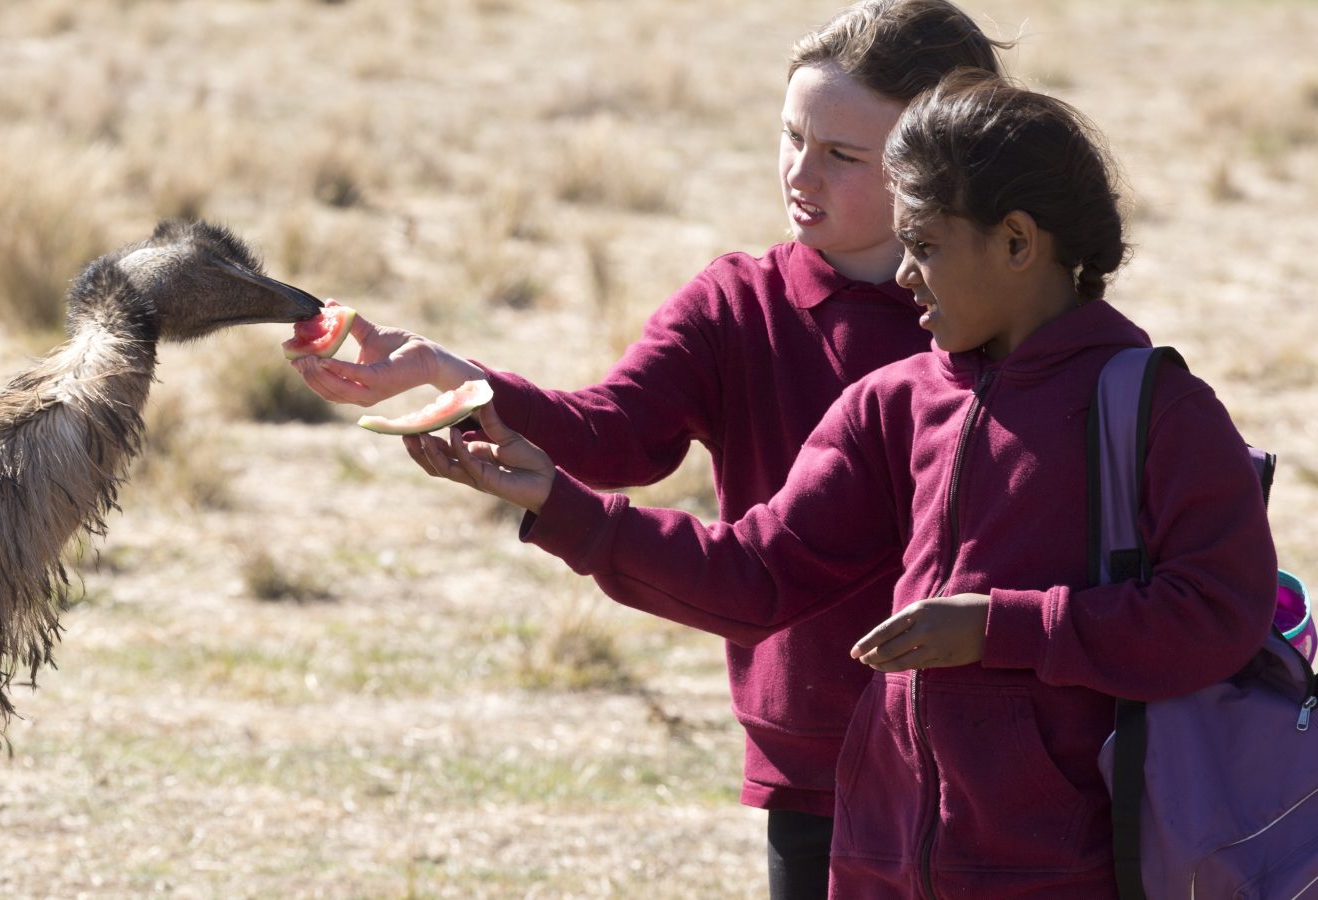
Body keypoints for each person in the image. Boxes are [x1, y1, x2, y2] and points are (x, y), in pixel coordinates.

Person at [402, 70, 1277, 896]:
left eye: (925, 245)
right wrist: (559, 505)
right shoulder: (894, 403)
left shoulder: (1154, 407)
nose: (902, 274)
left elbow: (1218, 614)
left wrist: (1001, 628)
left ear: (1017, 242)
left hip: (1077, 872)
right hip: (880, 865)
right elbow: (755, 577)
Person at [295, 3, 1009, 895]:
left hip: (993, 761)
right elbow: (613, 434)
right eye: (791, 135)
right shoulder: (737, 304)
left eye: (843, 155)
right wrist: (451, 375)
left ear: (940, 163)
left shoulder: (1005, 316)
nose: (800, 170)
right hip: (813, 764)